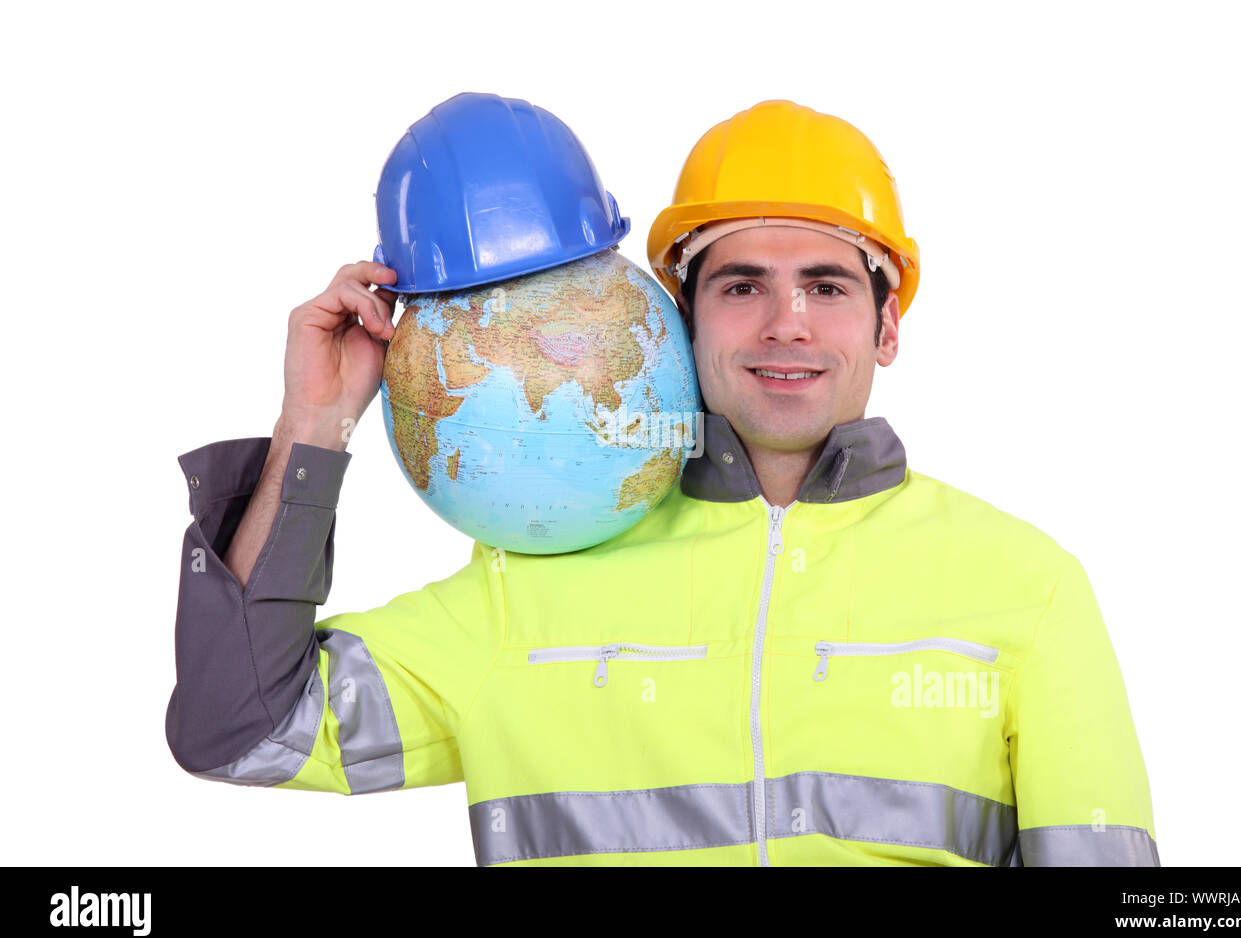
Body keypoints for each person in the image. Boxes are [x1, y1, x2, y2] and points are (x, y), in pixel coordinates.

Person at [167, 99, 1159, 867]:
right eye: (740, 285)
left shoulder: (1027, 589)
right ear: (679, 317)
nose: (787, 323)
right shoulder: (524, 589)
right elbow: (241, 726)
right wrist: (316, 423)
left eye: (827, 283)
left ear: (887, 325)